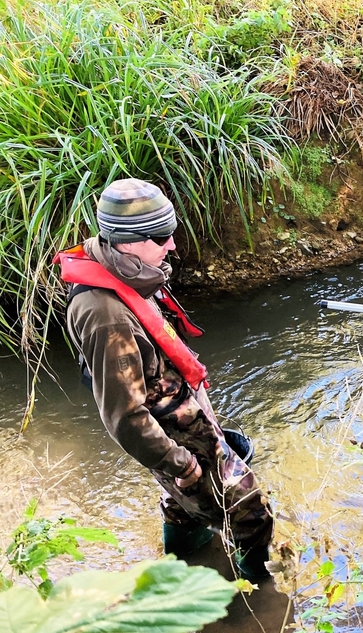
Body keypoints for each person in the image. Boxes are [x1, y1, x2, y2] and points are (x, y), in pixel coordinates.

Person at [54, 178, 273, 581]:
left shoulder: (126, 269)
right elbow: (123, 415)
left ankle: (182, 563)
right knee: (252, 514)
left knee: (185, 506)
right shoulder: (104, 316)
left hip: (184, 415)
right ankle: (258, 597)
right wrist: (179, 462)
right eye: (161, 237)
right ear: (127, 240)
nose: (171, 246)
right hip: (170, 435)